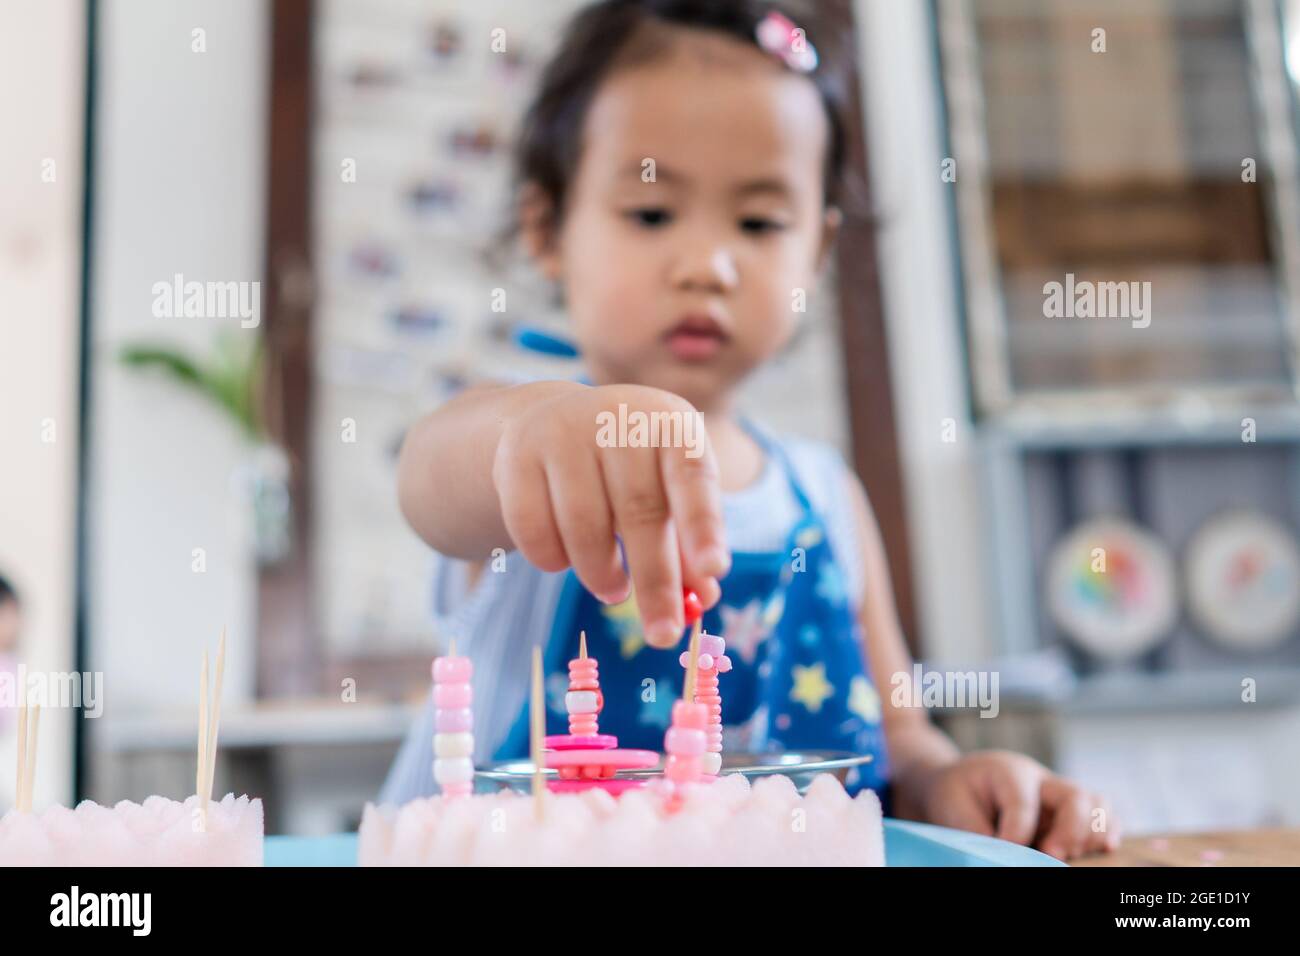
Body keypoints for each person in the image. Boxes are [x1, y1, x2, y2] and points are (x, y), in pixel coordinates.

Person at [384, 0, 1116, 860]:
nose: (710, 265)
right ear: (548, 228)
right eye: (652, 214)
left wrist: (955, 781)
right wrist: (522, 429)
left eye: (761, 223)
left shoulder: (828, 498)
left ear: (816, 253)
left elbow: (900, 740)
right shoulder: (535, 448)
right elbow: (433, 481)